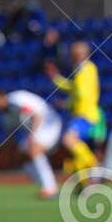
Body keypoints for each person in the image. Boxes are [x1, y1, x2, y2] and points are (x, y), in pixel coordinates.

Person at [0, 88, 61, 199]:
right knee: (22, 156)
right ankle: (44, 185)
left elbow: (37, 116)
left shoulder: (17, 100)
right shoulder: (6, 114)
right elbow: (9, 135)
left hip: (48, 124)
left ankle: (50, 188)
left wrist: (32, 136)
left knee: (34, 149)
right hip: (37, 129)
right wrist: (6, 153)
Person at [45, 40, 102, 178]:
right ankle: (83, 179)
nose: (72, 56)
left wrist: (66, 104)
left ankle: (94, 165)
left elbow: (81, 93)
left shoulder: (86, 68)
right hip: (82, 114)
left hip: (85, 114)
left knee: (68, 140)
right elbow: (74, 88)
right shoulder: (83, 68)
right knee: (75, 147)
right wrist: (56, 78)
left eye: (74, 54)